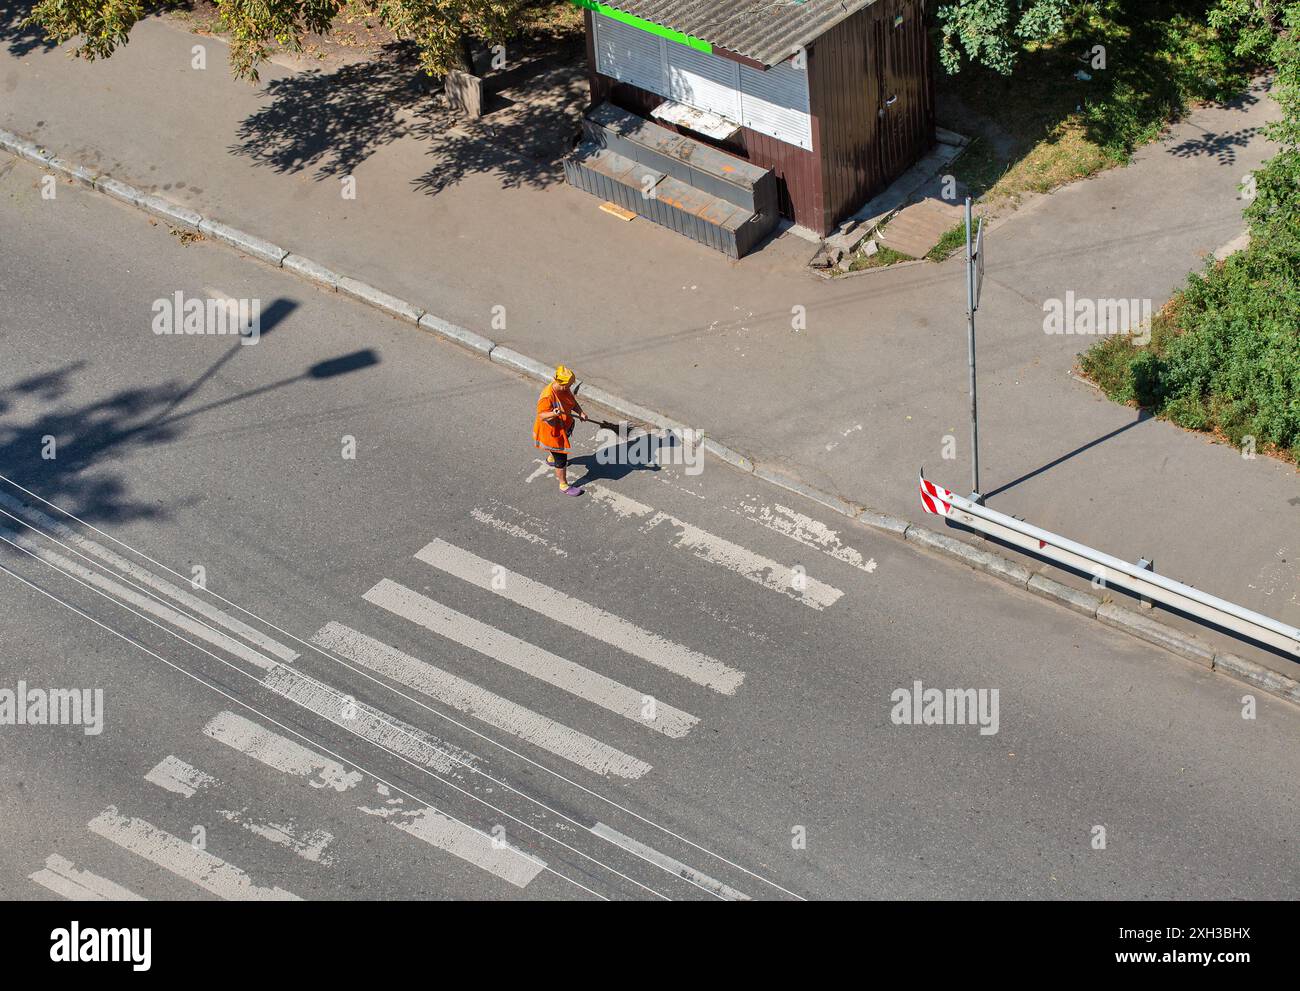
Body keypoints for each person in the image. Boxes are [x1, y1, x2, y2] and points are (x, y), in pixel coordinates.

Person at [533, 365, 589, 496]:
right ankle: (563, 485)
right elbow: (542, 415)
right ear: (561, 383)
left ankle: (551, 458)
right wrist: (553, 413)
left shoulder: (564, 389)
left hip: (563, 427)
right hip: (553, 434)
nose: (570, 386)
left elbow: (572, 402)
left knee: (557, 456)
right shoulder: (547, 396)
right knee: (561, 460)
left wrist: (580, 412)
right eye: (569, 384)